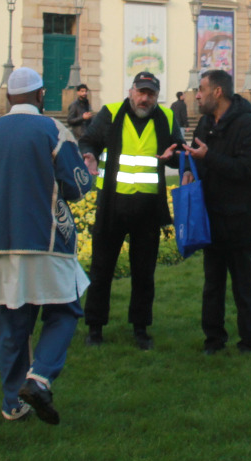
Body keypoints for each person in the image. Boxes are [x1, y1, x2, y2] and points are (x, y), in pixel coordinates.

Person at [0, 66, 93, 423]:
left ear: (7, 98)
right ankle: (39, 378)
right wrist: (88, 170)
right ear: (40, 96)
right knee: (65, 310)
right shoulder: (53, 130)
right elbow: (77, 187)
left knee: (10, 327)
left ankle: (12, 404)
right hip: (45, 241)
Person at [79, 71, 184, 350]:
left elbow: (179, 153)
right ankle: (95, 328)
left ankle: (140, 329)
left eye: (150, 94)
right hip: (112, 206)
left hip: (148, 208)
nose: (145, 98)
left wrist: (173, 156)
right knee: (101, 269)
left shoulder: (167, 118)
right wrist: (88, 153)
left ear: (157, 96)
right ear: (131, 91)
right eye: (141, 92)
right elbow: (88, 139)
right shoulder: (111, 114)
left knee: (144, 273)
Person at [186, 68, 251, 353]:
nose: (196, 95)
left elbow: (246, 170)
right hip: (211, 218)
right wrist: (184, 164)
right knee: (212, 285)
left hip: (241, 220)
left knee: (242, 287)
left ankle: (248, 342)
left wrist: (210, 157)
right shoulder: (204, 123)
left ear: (217, 92)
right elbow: (198, 160)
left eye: (201, 90)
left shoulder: (247, 126)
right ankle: (214, 340)